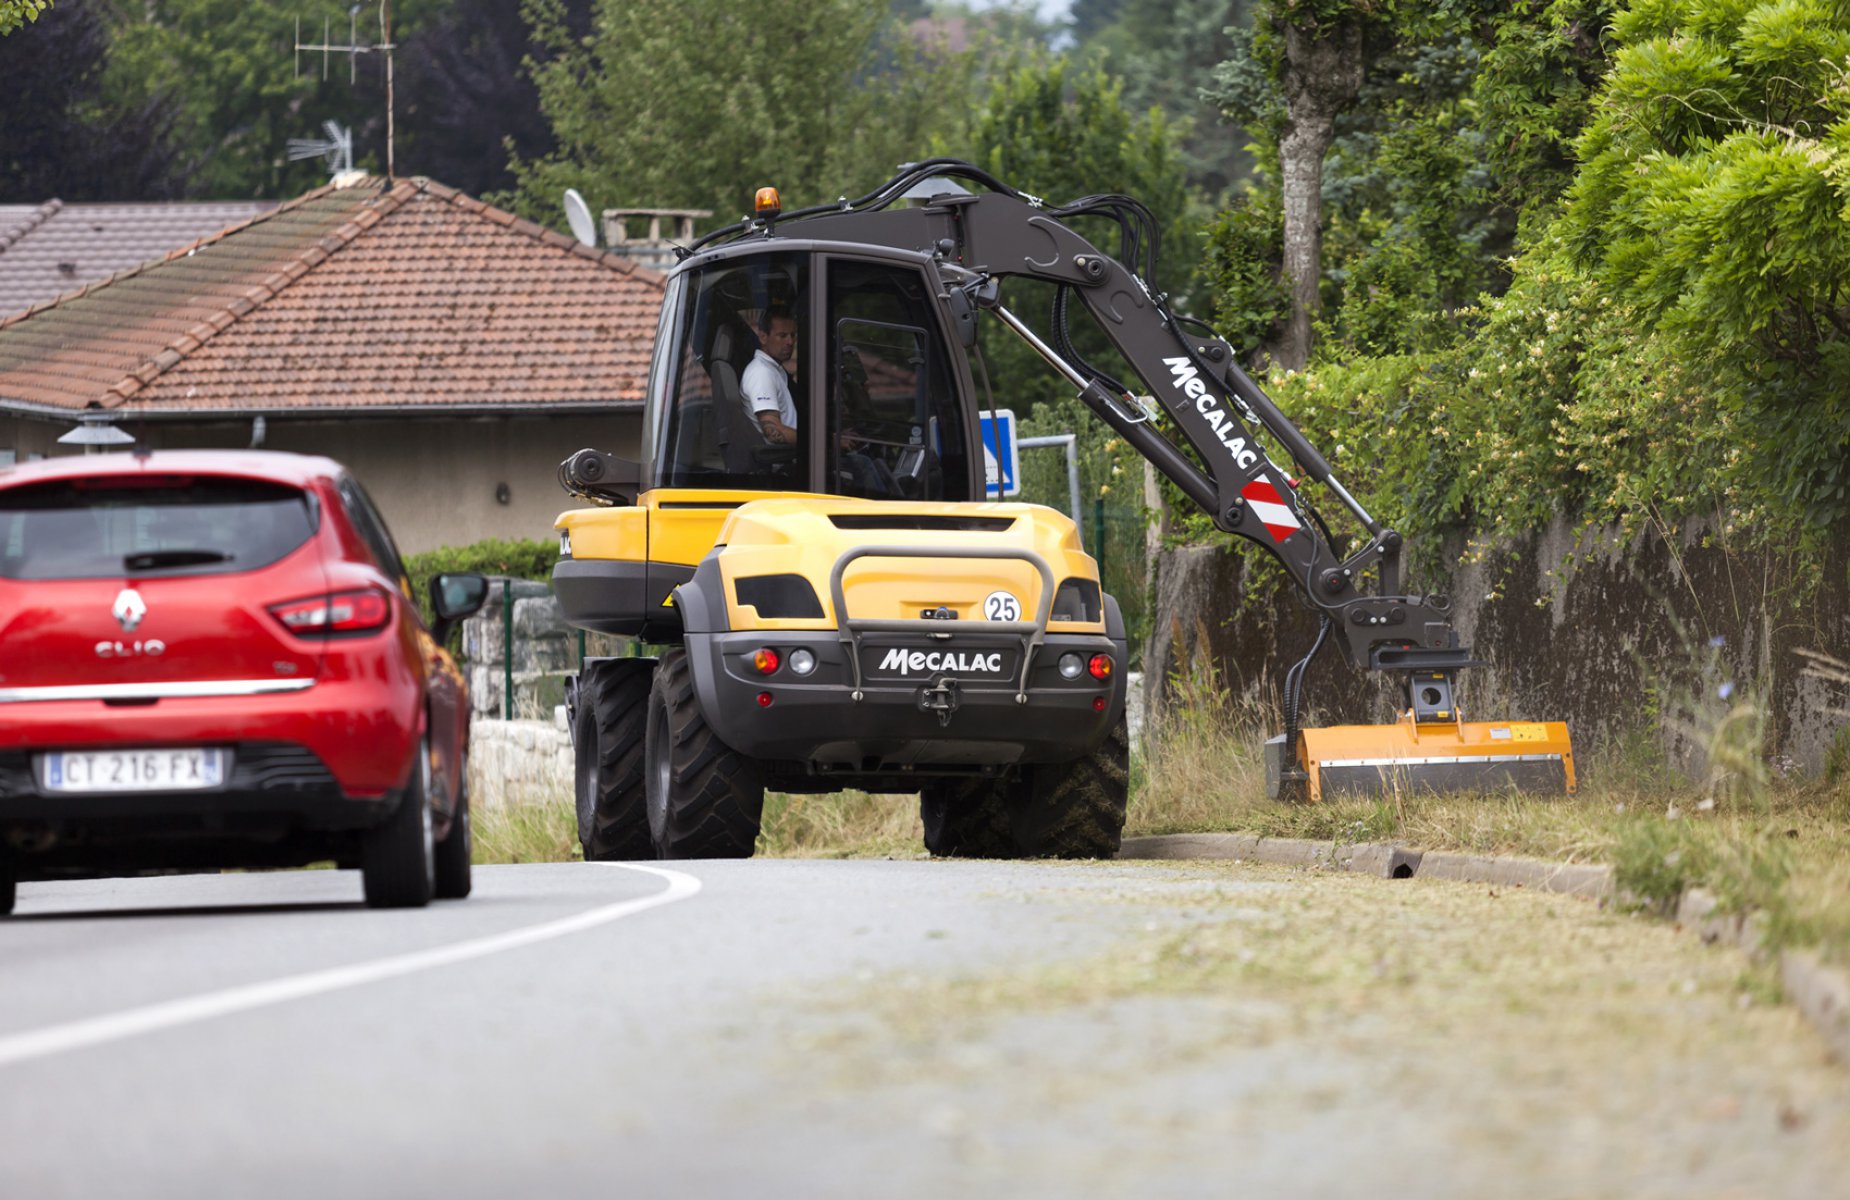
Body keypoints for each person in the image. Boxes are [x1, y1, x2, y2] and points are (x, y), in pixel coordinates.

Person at [741, 307, 799, 447]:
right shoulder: (761, 373)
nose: (790, 342)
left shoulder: (774, 370)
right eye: (782, 335)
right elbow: (773, 432)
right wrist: (823, 442)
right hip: (785, 457)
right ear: (763, 337)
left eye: (792, 335)